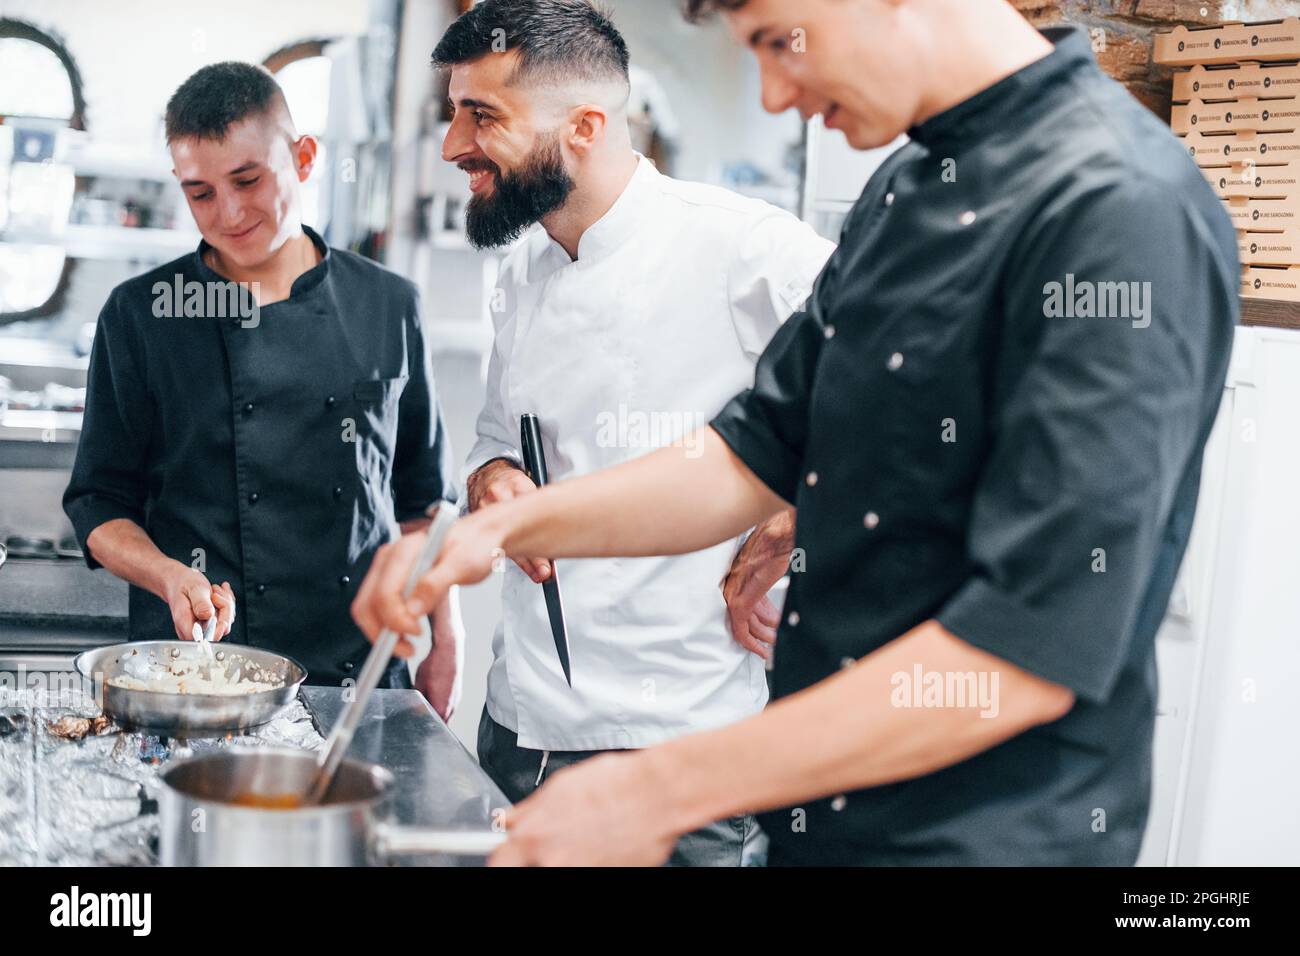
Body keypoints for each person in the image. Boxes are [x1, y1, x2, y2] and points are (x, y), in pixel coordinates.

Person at [355, 0, 1239, 866]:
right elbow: (748, 452)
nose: (775, 96)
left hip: (983, 834)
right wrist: (498, 528)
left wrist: (660, 788)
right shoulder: (905, 190)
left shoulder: (1116, 205)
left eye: (782, 42)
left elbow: (1029, 644)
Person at [424, 0, 834, 866]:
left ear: (584, 125)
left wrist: (801, 515)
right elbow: (495, 434)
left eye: (481, 115)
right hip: (519, 727)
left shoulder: (746, 250)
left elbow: (897, 390)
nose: (454, 144)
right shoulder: (525, 264)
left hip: (684, 755)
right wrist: (493, 477)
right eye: (454, 112)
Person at [65, 62, 463, 711]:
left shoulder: (388, 305)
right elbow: (99, 506)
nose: (228, 213)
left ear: (303, 158)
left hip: (357, 674)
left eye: (248, 180)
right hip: (198, 674)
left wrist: (448, 635)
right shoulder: (140, 314)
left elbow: (427, 504)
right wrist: (167, 574)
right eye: (200, 193)